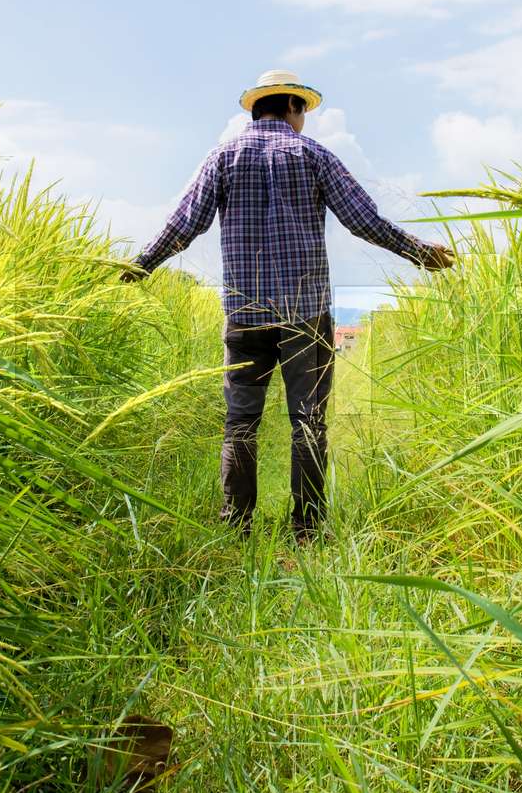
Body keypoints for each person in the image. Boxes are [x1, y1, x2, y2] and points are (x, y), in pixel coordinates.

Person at [122, 69, 455, 541]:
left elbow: (184, 224)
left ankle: (235, 527)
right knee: (308, 421)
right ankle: (307, 529)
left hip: (245, 316)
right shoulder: (313, 154)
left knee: (241, 421)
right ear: (293, 108)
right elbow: (364, 221)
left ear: (259, 108)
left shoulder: (223, 158)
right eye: (304, 112)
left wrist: (142, 264)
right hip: (305, 315)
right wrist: (419, 253)